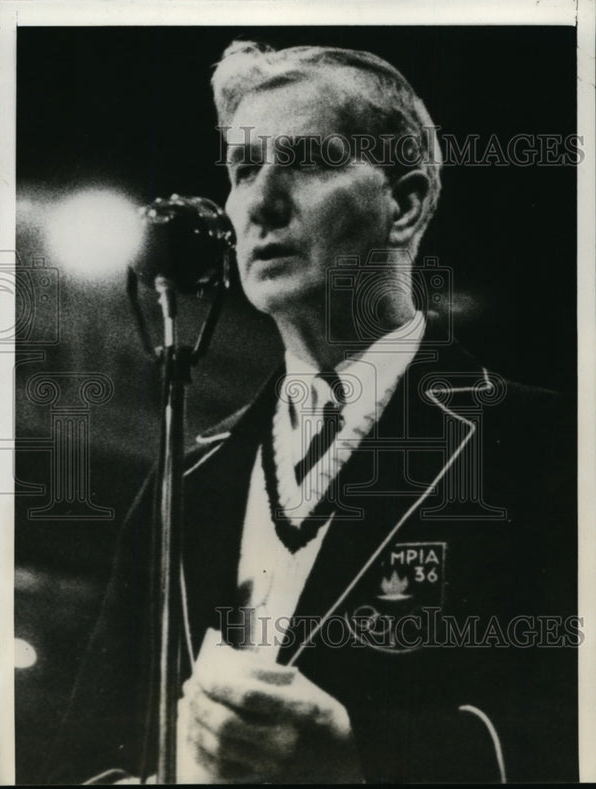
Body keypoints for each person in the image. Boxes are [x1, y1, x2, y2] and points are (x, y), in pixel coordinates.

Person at [45, 41, 578, 784]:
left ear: (404, 204)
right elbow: (81, 758)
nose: (259, 203)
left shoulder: (547, 448)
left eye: (306, 161)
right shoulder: (183, 483)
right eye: (242, 169)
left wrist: (359, 754)